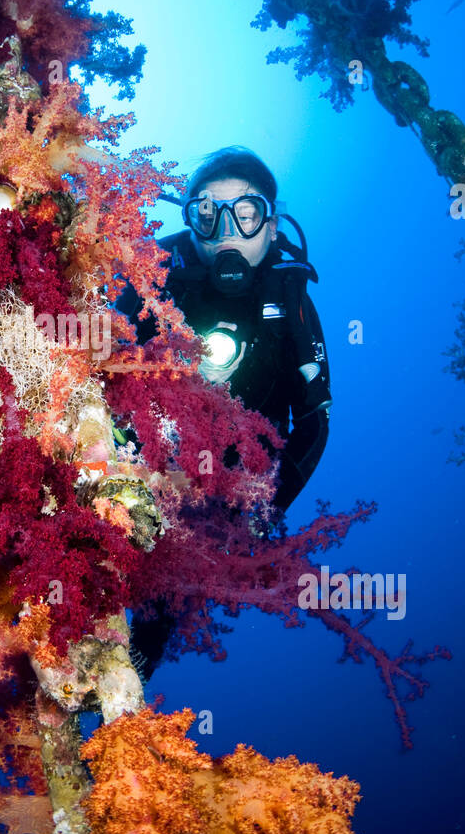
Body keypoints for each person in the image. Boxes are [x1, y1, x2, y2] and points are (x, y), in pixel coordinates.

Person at [115, 146, 332, 679]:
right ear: (191, 224)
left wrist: (265, 511)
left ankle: (121, 690)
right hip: (136, 474)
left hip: (223, 502)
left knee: (158, 610)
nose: (229, 231)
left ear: (273, 225)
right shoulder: (152, 278)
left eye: (248, 212)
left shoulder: (292, 302)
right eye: (209, 215)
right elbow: (99, 364)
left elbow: (314, 421)